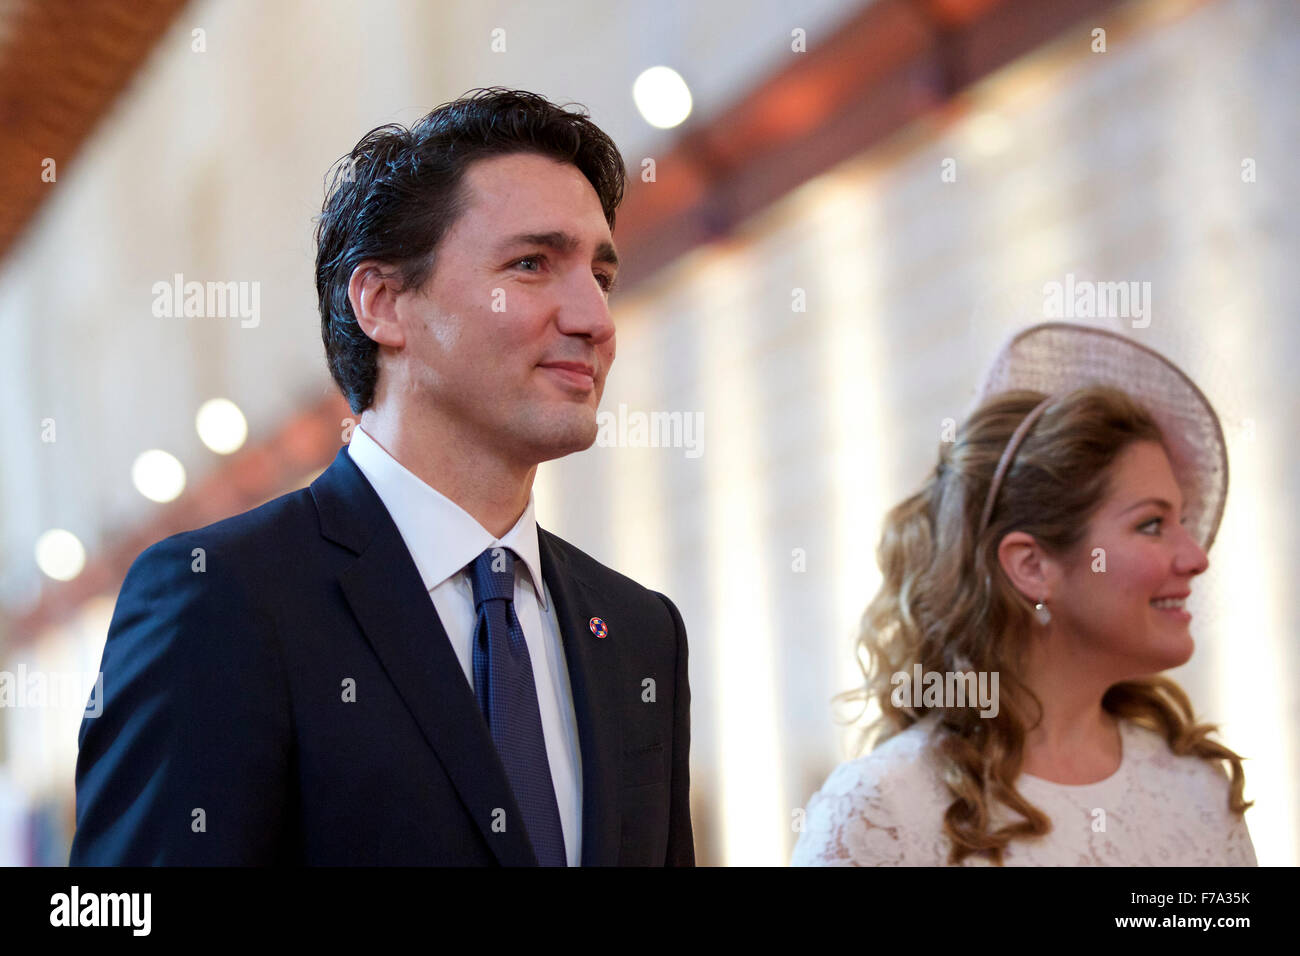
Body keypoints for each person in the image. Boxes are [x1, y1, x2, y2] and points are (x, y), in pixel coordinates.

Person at [70, 89, 695, 866]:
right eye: (532, 264)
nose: (595, 318)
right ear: (383, 304)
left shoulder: (640, 633)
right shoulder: (223, 600)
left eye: (600, 276)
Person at [792, 322, 1256, 866]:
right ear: (1032, 566)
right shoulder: (883, 811)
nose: (1197, 557)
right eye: (1152, 524)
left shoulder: (1197, 794)